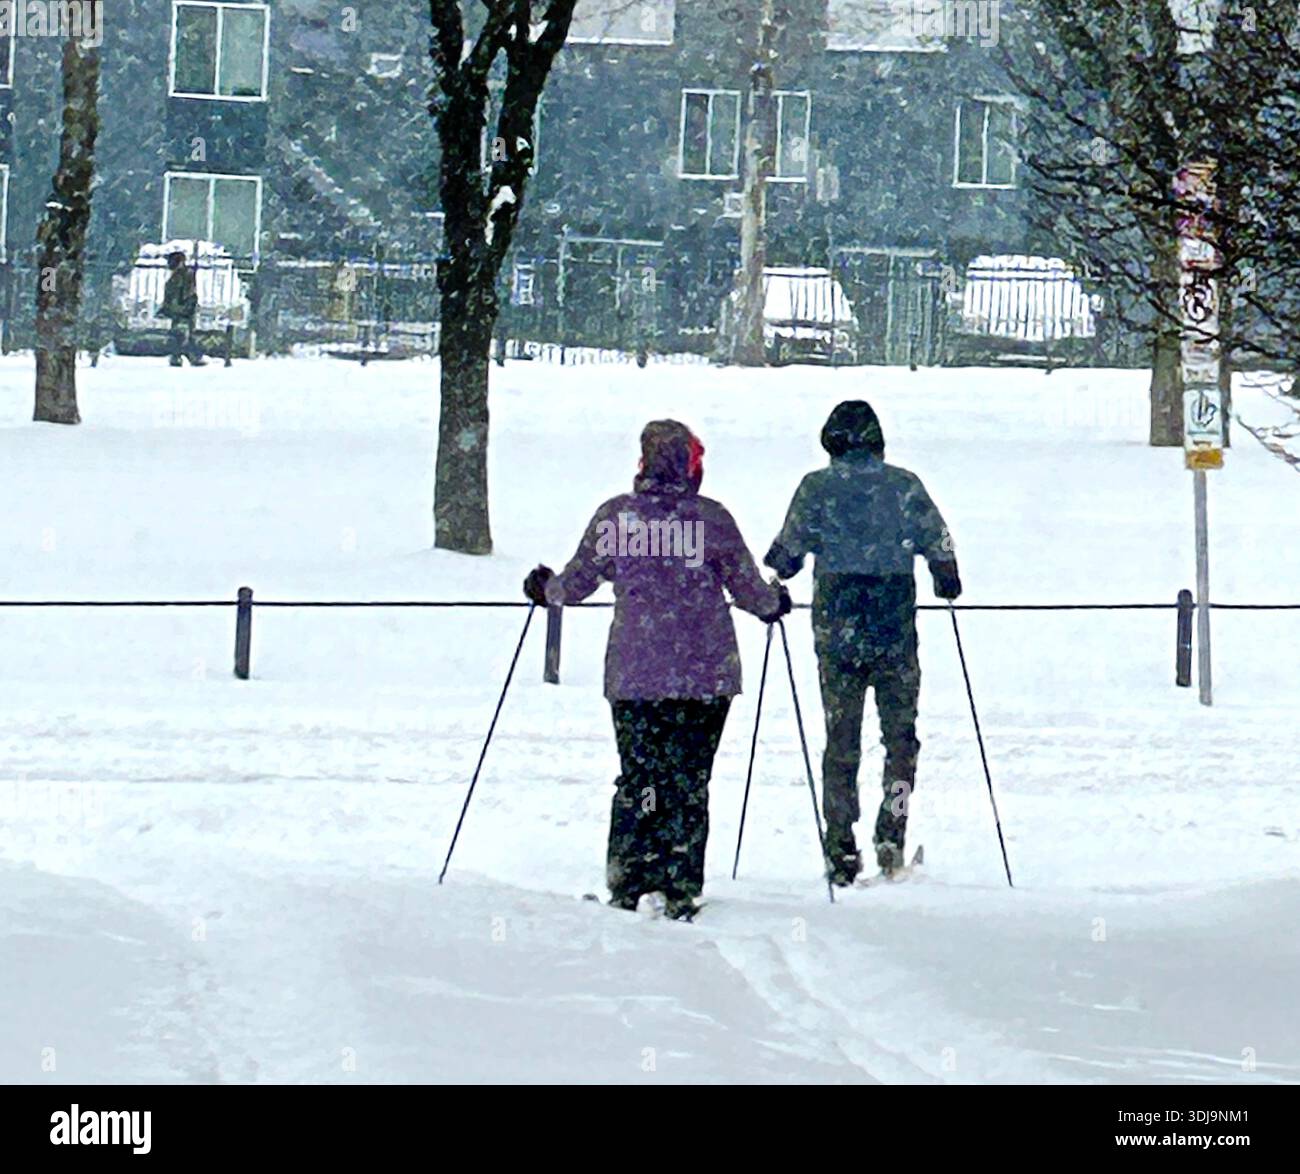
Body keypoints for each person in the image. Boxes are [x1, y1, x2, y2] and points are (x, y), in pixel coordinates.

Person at [524, 420, 790, 920]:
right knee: (689, 778)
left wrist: (545, 588)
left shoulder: (617, 518)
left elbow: (574, 585)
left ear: (643, 462)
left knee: (641, 774)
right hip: (705, 675)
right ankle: (680, 880)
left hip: (636, 673)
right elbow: (750, 591)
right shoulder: (711, 520)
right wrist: (775, 603)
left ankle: (632, 876)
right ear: (691, 465)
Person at [765, 400, 961, 885]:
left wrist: (779, 567)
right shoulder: (903, 485)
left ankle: (839, 842)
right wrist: (946, 577)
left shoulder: (817, 488)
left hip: (838, 621)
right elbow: (939, 539)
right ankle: (892, 827)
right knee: (900, 737)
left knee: (841, 738)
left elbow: (786, 555)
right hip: (893, 622)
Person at [160, 251, 206, 367]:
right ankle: (182, 356)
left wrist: (185, 307)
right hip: (178, 309)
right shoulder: (176, 276)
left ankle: (190, 356)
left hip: (184, 308)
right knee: (179, 333)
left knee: (185, 333)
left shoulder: (185, 275)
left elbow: (189, 293)